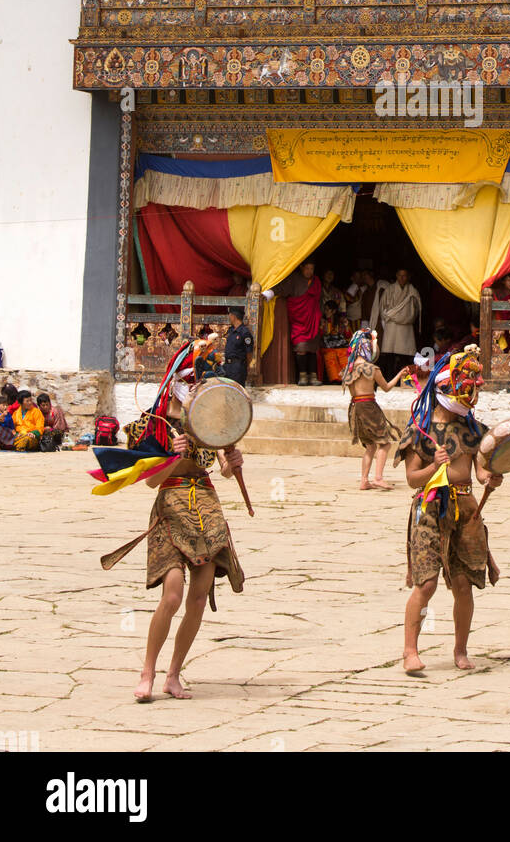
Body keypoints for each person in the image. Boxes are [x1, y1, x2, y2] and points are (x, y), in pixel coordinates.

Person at [97, 341, 246, 702]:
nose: (196, 386)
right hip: (170, 506)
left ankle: (173, 674)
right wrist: (171, 458)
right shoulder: (155, 424)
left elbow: (221, 470)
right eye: (192, 379)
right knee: (173, 592)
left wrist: (233, 463)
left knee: (198, 598)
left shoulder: (212, 417)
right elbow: (150, 481)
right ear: (178, 379)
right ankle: (147, 671)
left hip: (206, 507)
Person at [395, 347, 502, 675]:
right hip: (429, 508)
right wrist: (433, 468)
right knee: (425, 584)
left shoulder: (472, 430)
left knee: (463, 583)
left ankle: (460, 649)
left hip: (466, 508)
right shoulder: (420, 430)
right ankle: (410, 651)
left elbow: (480, 469)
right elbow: (413, 478)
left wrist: (490, 478)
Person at [342, 329, 403, 490]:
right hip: (369, 407)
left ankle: (364, 480)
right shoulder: (372, 369)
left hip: (356, 408)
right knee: (384, 444)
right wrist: (400, 374)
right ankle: (378, 478)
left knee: (370, 446)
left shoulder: (348, 370)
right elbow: (387, 387)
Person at [278, 258, 323, 386]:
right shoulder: (294, 279)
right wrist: (270, 292)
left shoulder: (316, 281)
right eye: (307, 268)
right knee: (301, 348)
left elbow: (319, 300)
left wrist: (321, 317)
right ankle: (302, 376)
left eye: (312, 269)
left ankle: (313, 376)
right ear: (302, 268)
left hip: (312, 319)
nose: (309, 271)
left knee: (313, 349)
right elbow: (283, 290)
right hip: (299, 319)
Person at [371, 267, 422, 381]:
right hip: (392, 327)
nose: (402, 278)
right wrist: (395, 315)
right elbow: (383, 309)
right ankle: (388, 380)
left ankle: (405, 380)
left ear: (408, 277)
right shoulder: (390, 289)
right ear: (396, 276)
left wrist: (399, 316)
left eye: (404, 275)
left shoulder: (412, 291)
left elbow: (414, 310)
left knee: (405, 357)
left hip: (405, 328)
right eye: (400, 275)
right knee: (390, 356)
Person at [320, 300, 353, 384]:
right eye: (325, 309)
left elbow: (348, 336)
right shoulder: (323, 321)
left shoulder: (341, 321)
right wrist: (322, 326)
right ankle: (335, 380)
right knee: (331, 355)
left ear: (334, 311)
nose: (326, 311)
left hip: (341, 346)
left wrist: (346, 326)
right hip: (328, 347)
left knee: (343, 354)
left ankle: (346, 378)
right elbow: (321, 335)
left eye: (328, 309)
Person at [220, 308, 254, 388]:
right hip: (227, 366)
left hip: (238, 367)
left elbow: (249, 352)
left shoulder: (244, 332)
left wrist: (246, 365)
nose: (229, 317)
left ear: (233, 316)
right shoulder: (231, 330)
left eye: (230, 315)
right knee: (227, 391)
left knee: (237, 391)